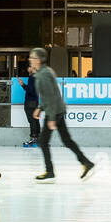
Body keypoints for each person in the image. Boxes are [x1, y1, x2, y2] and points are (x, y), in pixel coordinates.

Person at [30, 47, 95, 183]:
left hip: (54, 111)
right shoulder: (45, 72)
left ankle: (49, 171)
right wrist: (40, 108)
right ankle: (86, 163)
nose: (30, 59)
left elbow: (51, 96)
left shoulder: (43, 75)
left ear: (39, 60)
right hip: (57, 110)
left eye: (32, 57)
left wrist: (51, 118)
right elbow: (51, 95)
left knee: (43, 141)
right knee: (66, 140)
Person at [15, 62, 40, 149]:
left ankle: (33, 138)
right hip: (35, 102)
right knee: (35, 120)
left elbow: (31, 90)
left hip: (30, 102)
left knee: (32, 120)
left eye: (28, 67)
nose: (27, 69)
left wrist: (22, 85)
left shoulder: (32, 77)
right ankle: (38, 138)